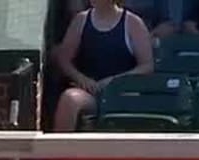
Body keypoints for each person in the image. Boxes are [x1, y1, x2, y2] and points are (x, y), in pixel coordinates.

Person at [50, 0, 155, 131]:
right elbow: (64, 60)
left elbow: (147, 66)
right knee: (70, 99)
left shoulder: (133, 23)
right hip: (91, 93)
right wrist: (82, 79)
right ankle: (61, 149)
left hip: (122, 94)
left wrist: (114, 81)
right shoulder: (81, 20)